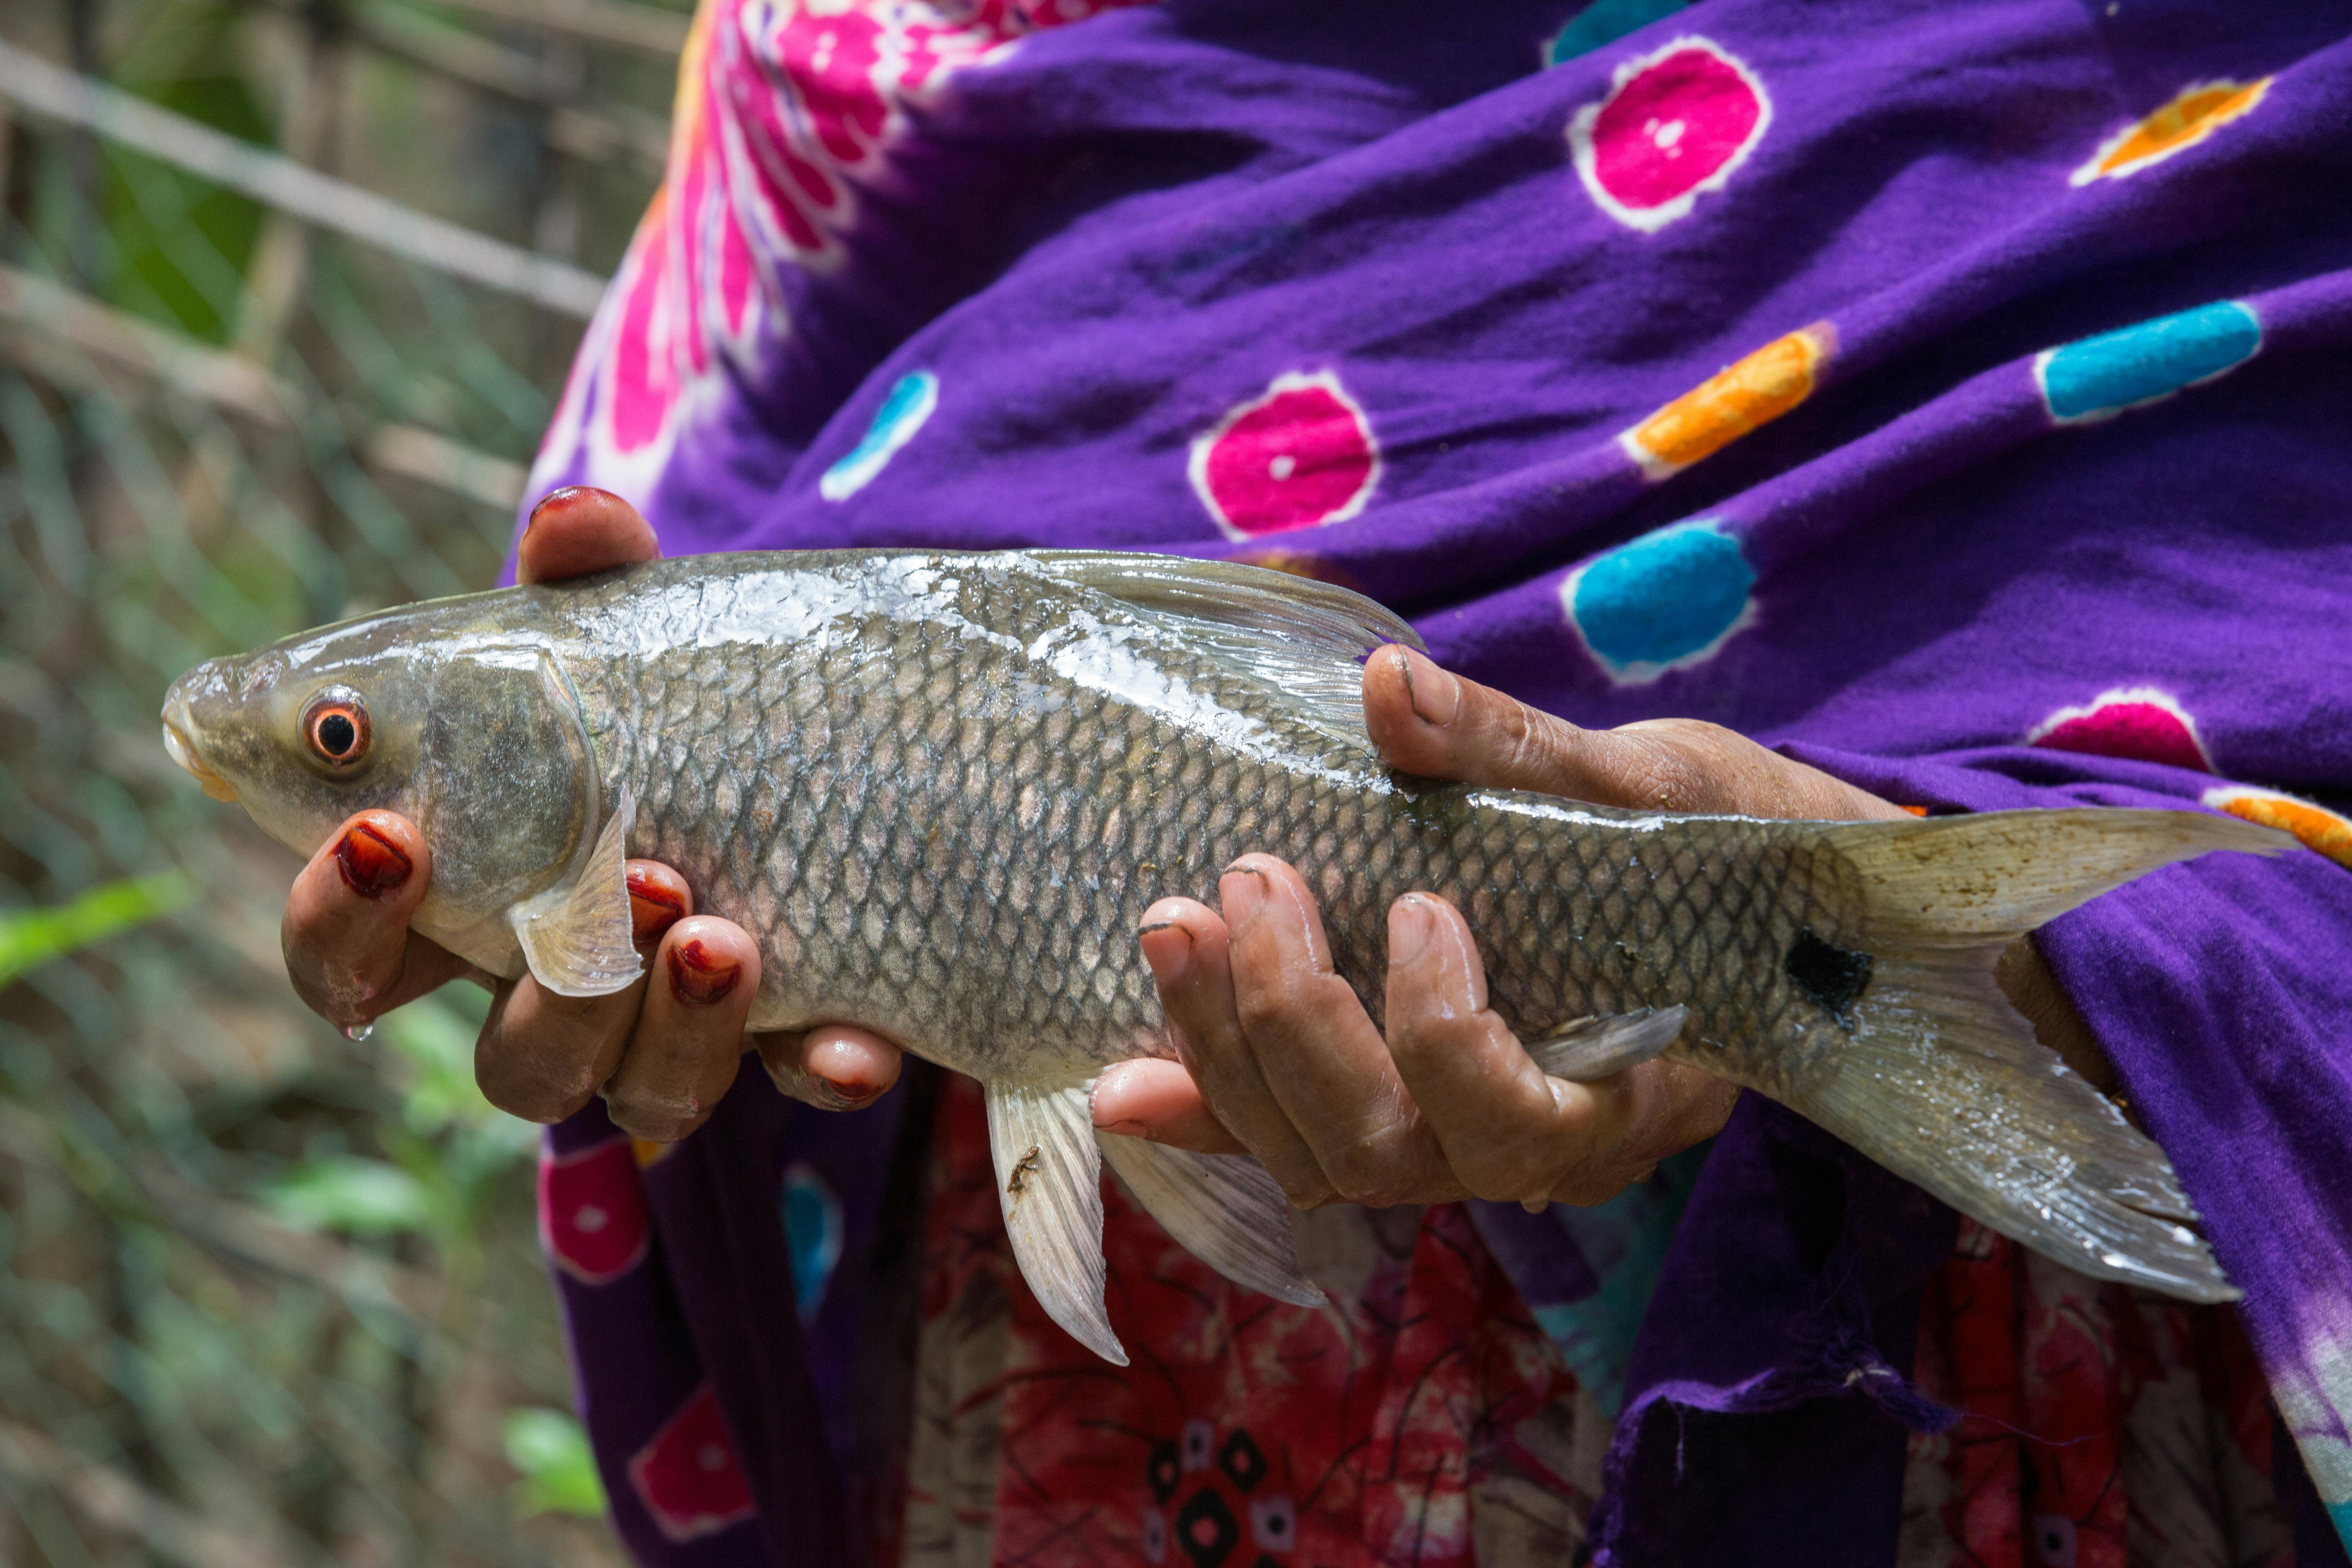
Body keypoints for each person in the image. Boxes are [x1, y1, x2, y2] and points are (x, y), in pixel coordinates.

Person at [275, 0, 2352, 1563]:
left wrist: (1878, 900)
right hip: (1091, 1356)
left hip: (1976, 1373)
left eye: (337, 756)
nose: (322, 790)